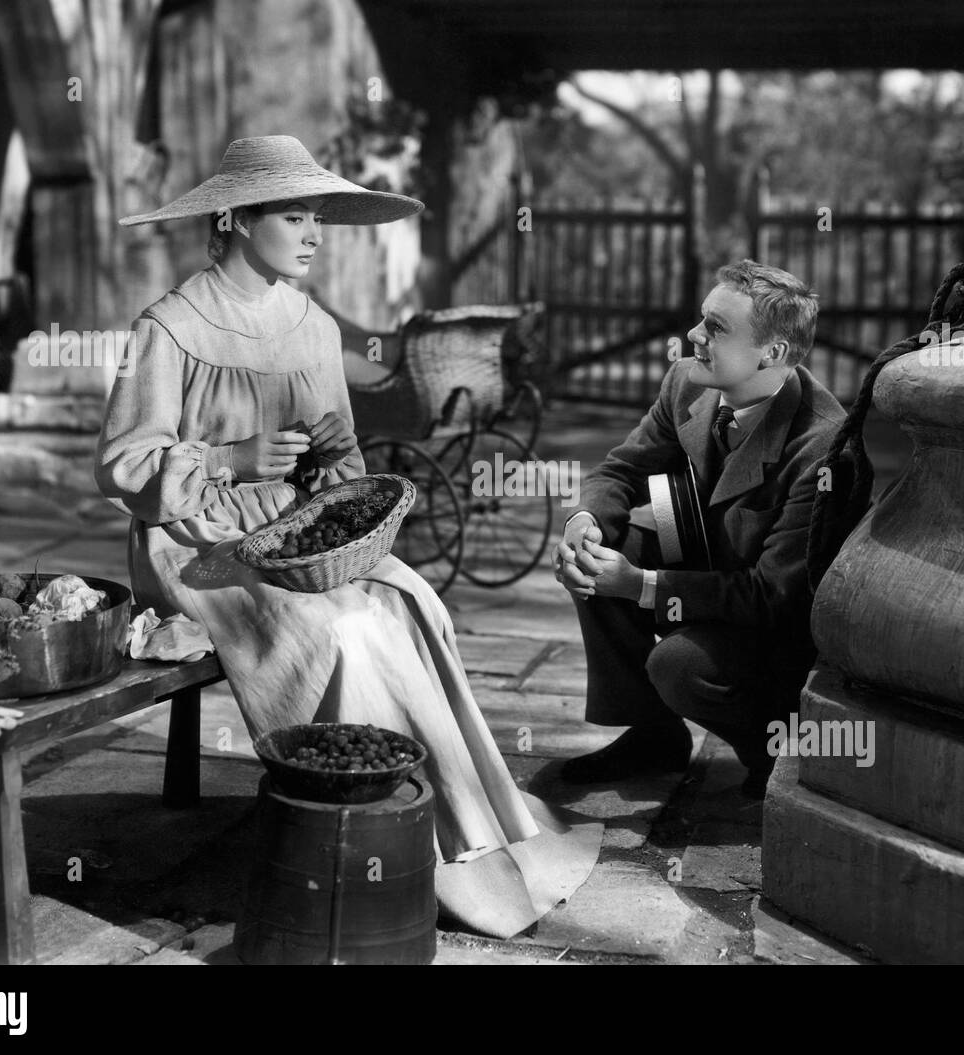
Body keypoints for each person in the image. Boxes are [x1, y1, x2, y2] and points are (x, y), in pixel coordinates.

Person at [97, 135, 600, 938]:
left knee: (411, 601)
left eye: (316, 217)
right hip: (194, 538)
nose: (313, 234)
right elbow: (122, 466)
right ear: (233, 217)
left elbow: (348, 467)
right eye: (294, 215)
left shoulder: (314, 327)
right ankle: (374, 834)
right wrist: (232, 458)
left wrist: (331, 459)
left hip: (297, 531)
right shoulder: (170, 325)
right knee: (343, 630)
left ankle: (456, 821)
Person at [552, 260, 845, 794]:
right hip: (715, 578)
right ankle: (654, 736)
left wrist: (639, 586)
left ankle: (774, 757)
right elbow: (621, 469)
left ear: (772, 352)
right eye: (702, 320)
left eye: (716, 327)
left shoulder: (823, 448)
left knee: (679, 664)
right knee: (603, 548)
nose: (694, 336)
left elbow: (773, 598)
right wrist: (585, 523)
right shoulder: (688, 385)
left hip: (780, 637)